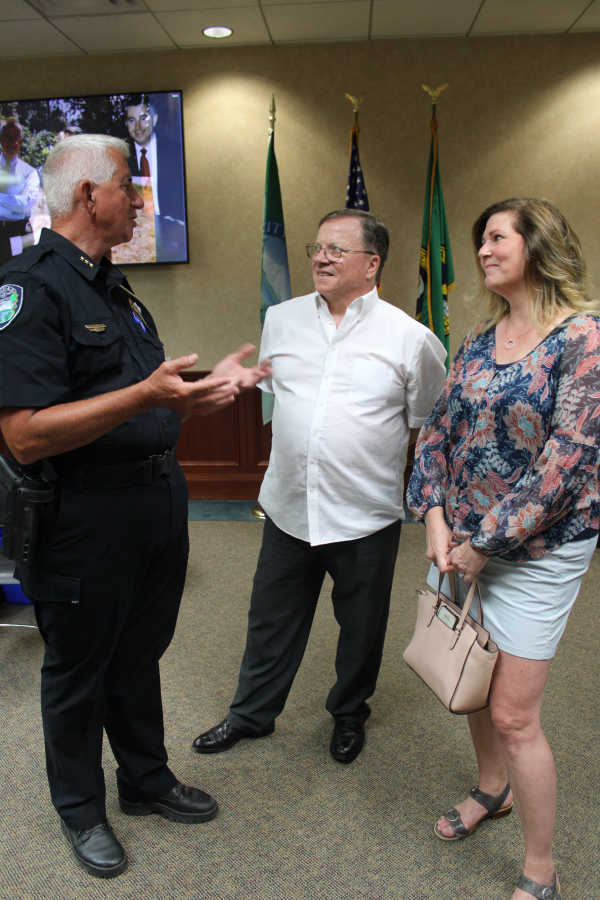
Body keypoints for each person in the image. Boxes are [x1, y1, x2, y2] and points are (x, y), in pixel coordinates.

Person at [0, 134, 269, 879]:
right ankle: (81, 810)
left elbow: (148, 409)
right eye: (129, 186)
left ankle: (145, 782)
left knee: (137, 656)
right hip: (84, 520)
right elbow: (23, 436)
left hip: (155, 502)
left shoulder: (113, 287)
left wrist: (204, 398)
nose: (139, 200)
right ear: (88, 196)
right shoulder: (31, 289)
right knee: (80, 669)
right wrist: (147, 395)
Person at [193, 208, 447, 764]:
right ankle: (251, 715)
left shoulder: (412, 338)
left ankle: (350, 713)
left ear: (372, 263)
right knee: (270, 618)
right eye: (317, 247)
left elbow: (427, 423)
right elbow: (277, 393)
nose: (321, 257)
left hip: (363, 515)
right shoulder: (280, 319)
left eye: (337, 249)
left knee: (360, 628)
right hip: (288, 506)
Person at [407, 198, 600, 900]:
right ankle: (494, 790)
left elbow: (568, 460)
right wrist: (433, 515)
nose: (483, 251)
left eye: (496, 238)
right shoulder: (480, 338)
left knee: (516, 713)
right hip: (463, 542)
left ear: (538, 245)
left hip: (541, 549)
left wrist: (484, 542)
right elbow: (436, 432)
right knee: (475, 685)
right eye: (480, 239)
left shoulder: (584, 337)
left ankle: (542, 872)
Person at [124, 94, 186, 262]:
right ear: (126, 124)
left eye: (143, 118)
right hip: (136, 235)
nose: (138, 127)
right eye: (131, 120)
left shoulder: (176, 152)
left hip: (175, 231)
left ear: (155, 119)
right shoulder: (120, 158)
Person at [0, 119, 40, 266]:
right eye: (7, 137)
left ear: (21, 141)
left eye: (15, 138)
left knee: (18, 274)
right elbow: (20, 204)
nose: (11, 142)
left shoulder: (29, 172)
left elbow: (26, 205)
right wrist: (14, 203)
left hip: (18, 232)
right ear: (0, 139)